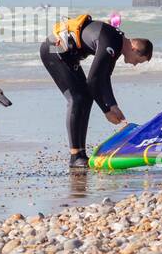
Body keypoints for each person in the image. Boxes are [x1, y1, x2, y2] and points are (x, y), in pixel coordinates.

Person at [40, 14, 153, 169]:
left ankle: (80, 154)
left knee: (85, 97)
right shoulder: (112, 43)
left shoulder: (117, 44)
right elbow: (92, 80)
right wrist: (106, 110)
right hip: (53, 50)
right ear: (134, 48)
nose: (134, 64)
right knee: (77, 99)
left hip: (66, 54)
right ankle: (75, 156)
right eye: (138, 61)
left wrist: (113, 105)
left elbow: (104, 78)